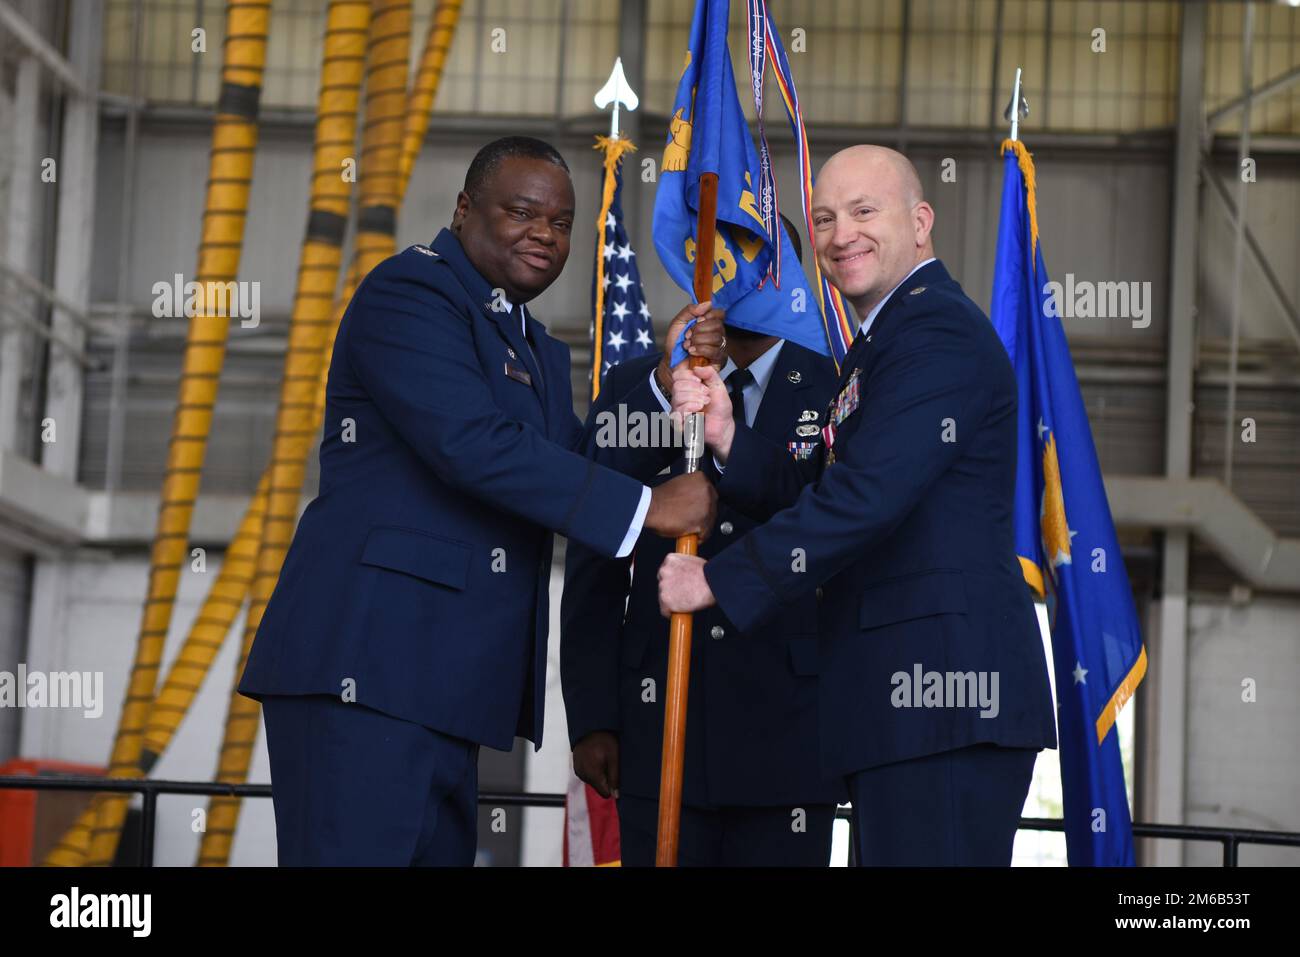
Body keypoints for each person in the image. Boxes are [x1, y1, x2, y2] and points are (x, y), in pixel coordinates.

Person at [239, 136, 720, 866]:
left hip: (448, 688)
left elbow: (572, 462)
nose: (545, 234)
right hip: (366, 674)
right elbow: (474, 445)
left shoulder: (531, 343)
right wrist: (648, 508)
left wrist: (662, 377)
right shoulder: (409, 293)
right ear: (465, 209)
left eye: (561, 222)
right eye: (522, 211)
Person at [658, 145, 1057, 866]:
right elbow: (826, 484)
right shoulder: (886, 341)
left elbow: (864, 498)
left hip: (944, 704)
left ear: (922, 221)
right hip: (903, 708)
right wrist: (724, 433)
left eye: (864, 211)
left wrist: (720, 578)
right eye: (824, 218)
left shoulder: (934, 334)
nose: (841, 234)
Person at [562, 219, 844, 866]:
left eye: (760, 270)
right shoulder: (643, 381)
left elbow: (839, 525)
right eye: (723, 267)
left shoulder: (834, 388)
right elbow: (594, 536)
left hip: (792, 730)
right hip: (657, 721)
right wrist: (594, 712)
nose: (740, 285)